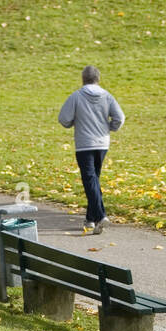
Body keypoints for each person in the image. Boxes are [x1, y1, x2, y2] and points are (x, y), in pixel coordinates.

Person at [58, 65, 124, 234]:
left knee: (89, 179)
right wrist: (110, 127)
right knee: (93, 180)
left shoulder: (76, 96)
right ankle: (90, 220)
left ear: (83, 79)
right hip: (103, 143)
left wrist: (74, 122)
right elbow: (119, 117)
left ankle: (101, 216)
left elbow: (64, 119)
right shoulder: (107, 96)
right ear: (98, 79)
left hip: (84, 144)